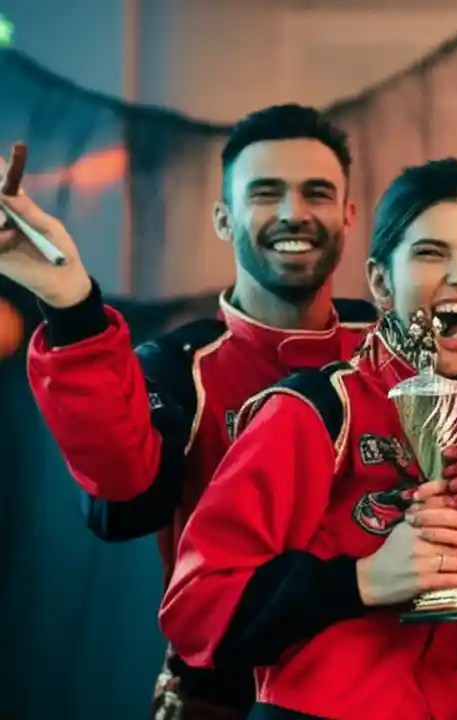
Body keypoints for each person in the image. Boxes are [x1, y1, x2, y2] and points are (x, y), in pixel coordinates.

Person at [158, 159, 457, 720]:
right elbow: (196, 607)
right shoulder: (316, 412)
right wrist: (359, 580)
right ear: (381, 281)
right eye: (432, 253)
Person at [0, 104, 376, 719]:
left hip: (390, 692)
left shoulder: (392, 346)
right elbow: (123, 498)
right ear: (223, 220)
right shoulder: (180, 364)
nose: (293, 213)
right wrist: (69, 303)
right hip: (223, 700)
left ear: (348, 215)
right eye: (265, 193)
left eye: (317, 192)